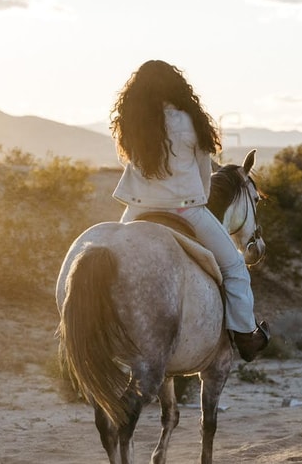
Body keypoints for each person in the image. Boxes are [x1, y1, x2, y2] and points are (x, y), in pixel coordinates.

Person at [110, 60, 270, 361]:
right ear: (177, 86)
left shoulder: (131, 122)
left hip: (137, 210)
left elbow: (126, 162)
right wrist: (198, 198)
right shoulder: (191, 120)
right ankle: (246, 335)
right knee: (235, 268)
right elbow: (203, 173)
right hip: (186, 211)